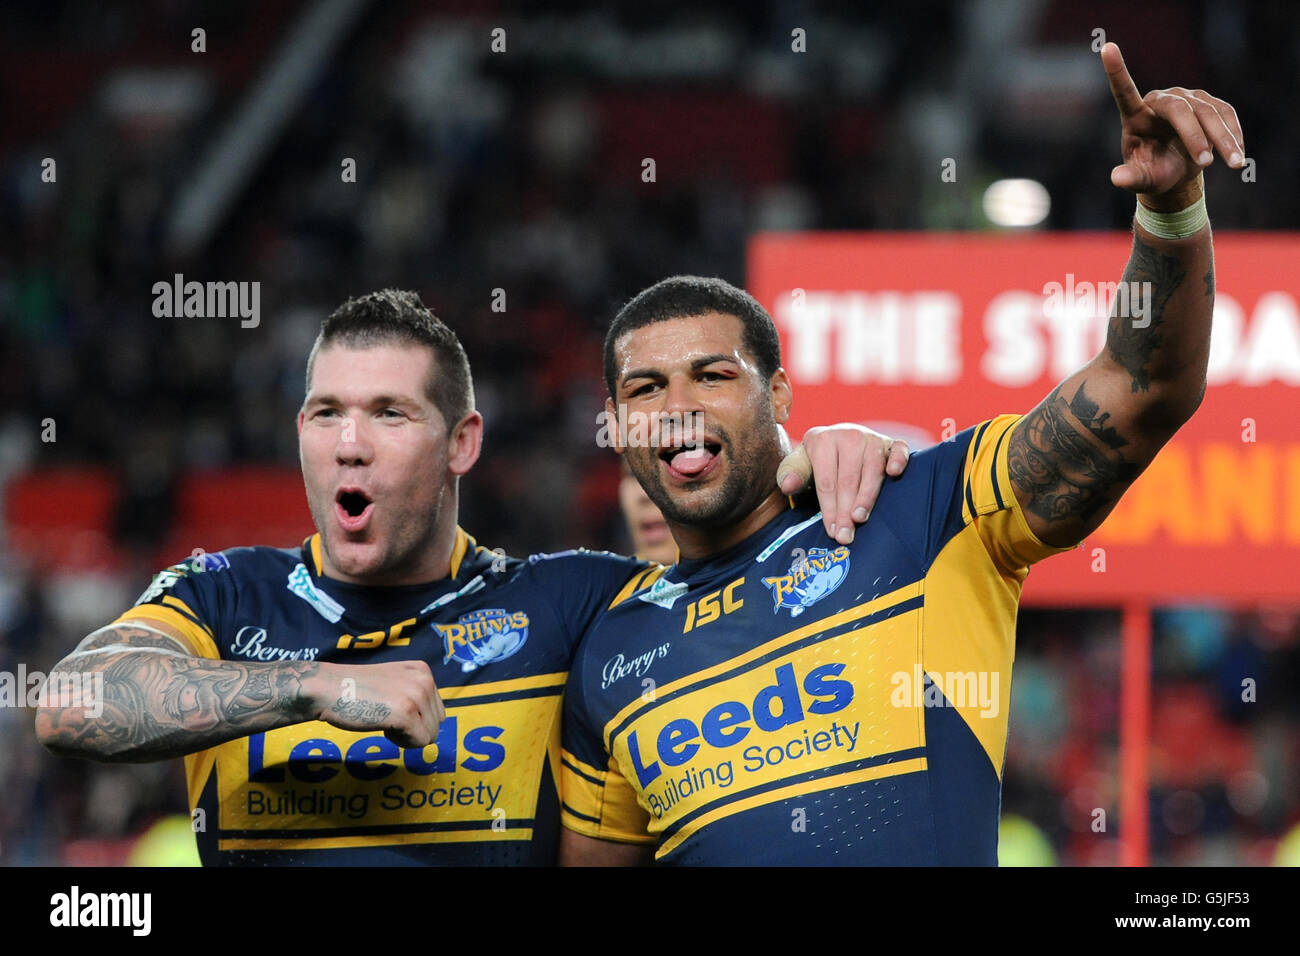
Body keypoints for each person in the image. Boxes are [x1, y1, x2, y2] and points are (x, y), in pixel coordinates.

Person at [558, 43, 1243, 865]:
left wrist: (1171, 213)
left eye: (712, 376)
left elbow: (1143, 387)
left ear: (778, 397)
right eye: (644, 391)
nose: (677, 411)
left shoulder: (923, 510)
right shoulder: (607, 654)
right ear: (616, 422)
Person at [34, 289, 908, 865]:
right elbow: (71, 704)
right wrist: (315, 689)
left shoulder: (568, 604)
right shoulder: (225, 594)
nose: (349, 442)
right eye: (326, 413)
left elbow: (724, 552)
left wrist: (822, 455)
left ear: (462, 443)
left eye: (389, 414)